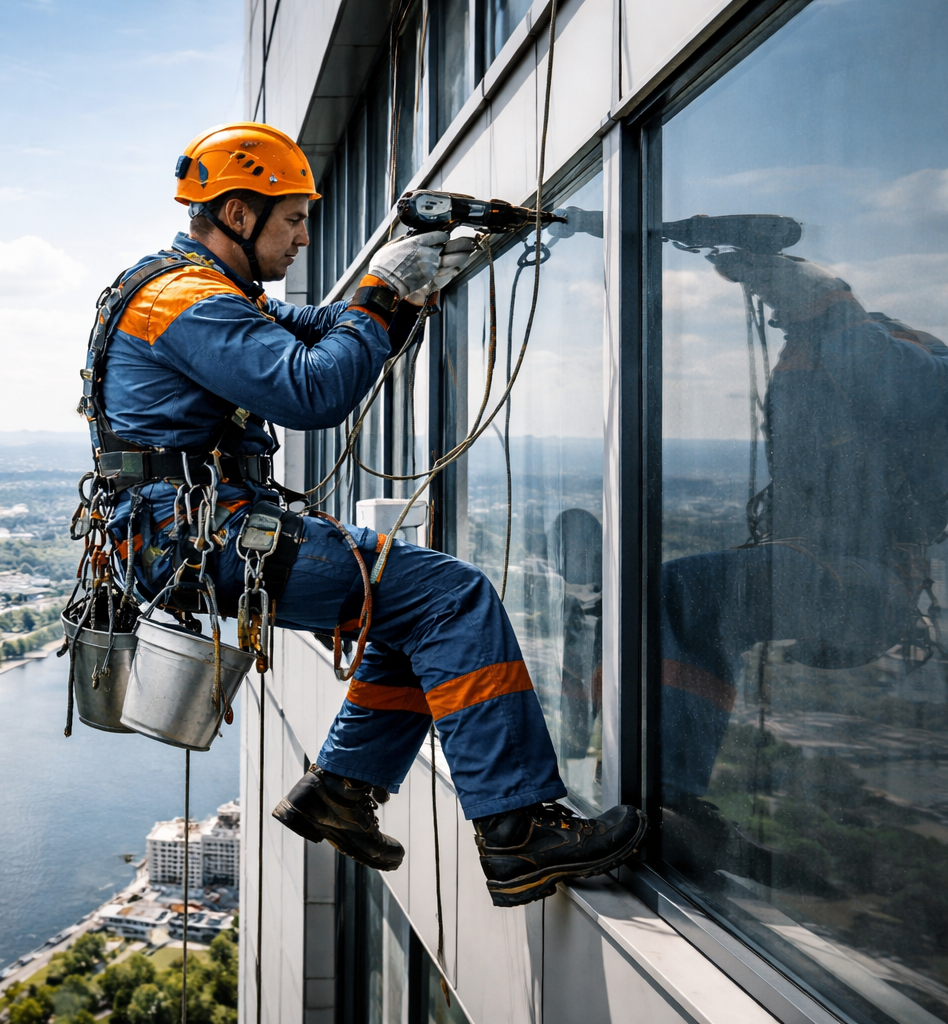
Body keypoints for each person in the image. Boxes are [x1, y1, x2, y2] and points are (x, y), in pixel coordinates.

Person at [85, 122, 645, 908]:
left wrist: (400, 292)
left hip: (188, 533)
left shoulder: (201, 293)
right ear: (239, 214)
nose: (303, 238)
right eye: (292, 220)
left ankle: (342, 789)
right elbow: (313, 388)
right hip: (197, 536)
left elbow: (324, 330)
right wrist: (381, 288)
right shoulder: (186, 302)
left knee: (409, 610)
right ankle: (517, 831)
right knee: (451, 596)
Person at [654, 250, 948, 887]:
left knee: (676, 593)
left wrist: (818, 294)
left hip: (871, 582)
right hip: (830, 567)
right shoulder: (819, 361)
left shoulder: (918, 360)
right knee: (684, 610)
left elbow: (879, 373)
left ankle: (671, 796)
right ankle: (662, 792)